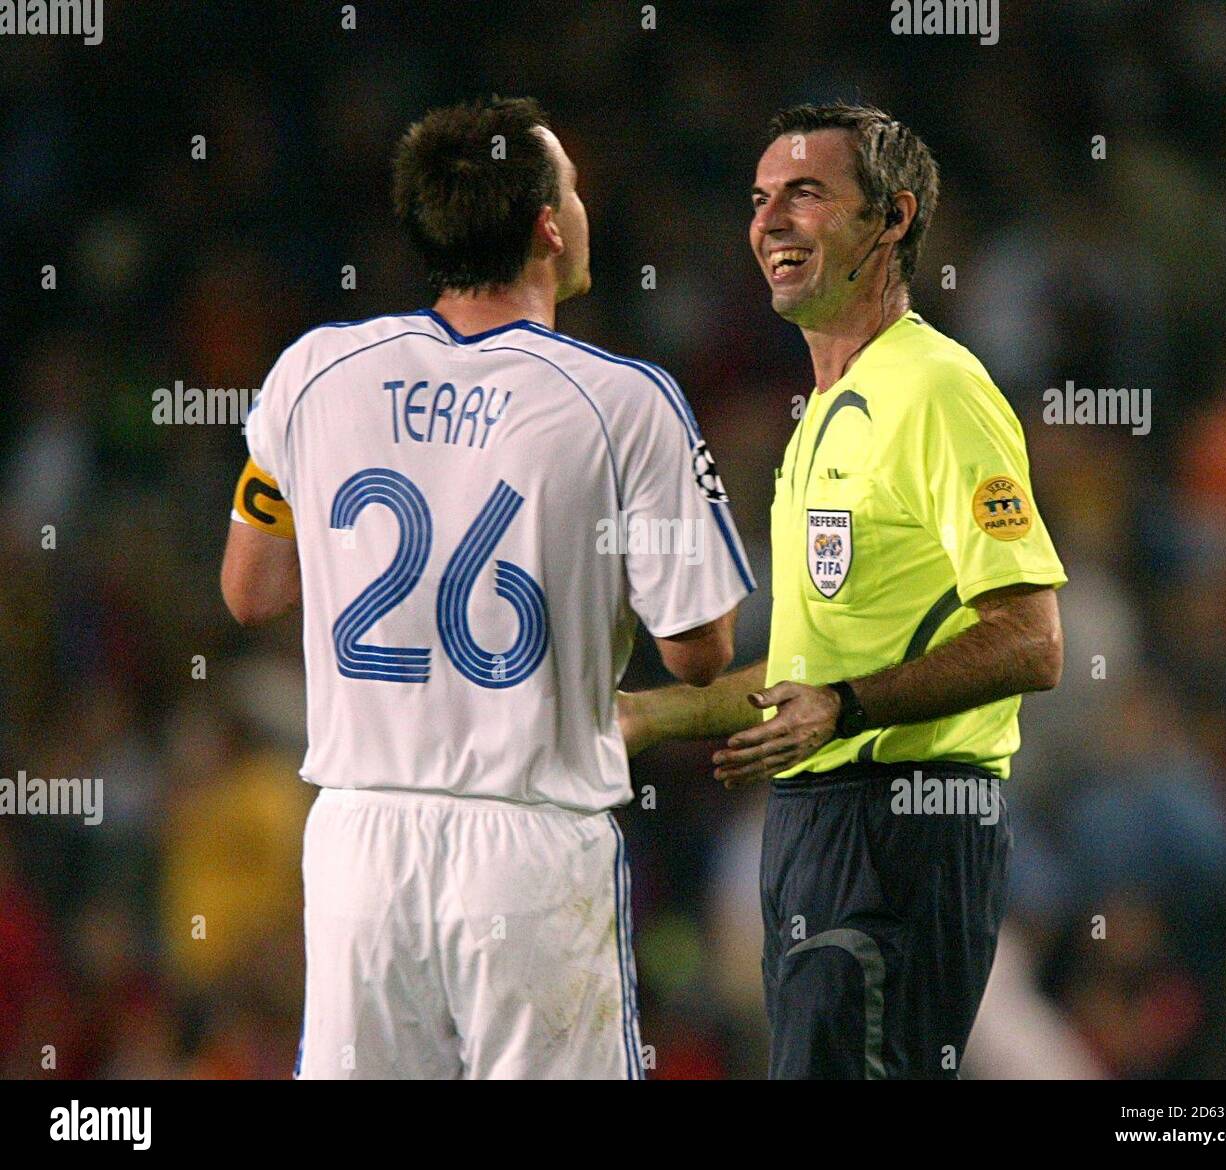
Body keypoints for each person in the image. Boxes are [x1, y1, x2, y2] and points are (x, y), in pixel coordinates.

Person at [219, 97, 754, 1079]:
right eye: (575, 191)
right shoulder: (627, 403)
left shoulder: (312, 371)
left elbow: (250, 590)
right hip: (529, 843)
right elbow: (699, 649)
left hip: (357, 840)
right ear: (549, 226)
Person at [619, 103, 1067, 1079]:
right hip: (814, 825)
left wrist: (846, 707)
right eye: (759, 199)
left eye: (806, 194)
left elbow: (1032, 641)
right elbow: (806, 678)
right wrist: (657, 714)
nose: (770, 221)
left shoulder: (938, 389)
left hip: (905, 824)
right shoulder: (819, 416)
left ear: (892, 218)